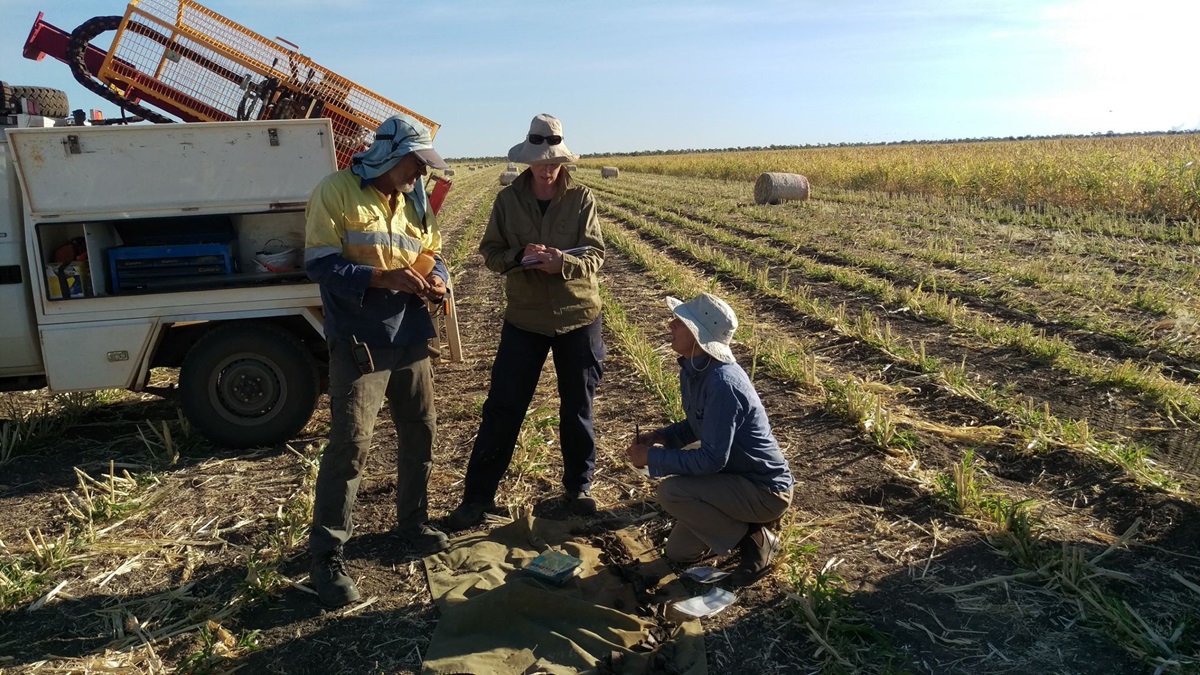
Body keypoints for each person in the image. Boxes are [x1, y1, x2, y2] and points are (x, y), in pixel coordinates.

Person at [304, 113, 453, 608]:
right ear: (391, 155)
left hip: (410, 333)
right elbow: (319, 263)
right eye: (416, 163)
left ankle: (412, 523)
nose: (421, 173)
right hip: (360, 338)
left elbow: (433, 252)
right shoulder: (335, 191)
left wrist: (438, 280)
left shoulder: (414, 199)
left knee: (420, 430)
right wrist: (382, 278)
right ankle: (327, 555)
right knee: (351, 445)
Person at [444, 114, 605, 531]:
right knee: (504, 407)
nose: (547, 169)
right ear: (528, 160)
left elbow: (595, 254)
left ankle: (578, 489)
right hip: (524, 318)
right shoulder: (507, 201)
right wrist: (519, 257)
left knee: (578, 407)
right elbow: (491, 252)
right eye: (540, 162)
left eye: (554, 162)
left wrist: (562, 262)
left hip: (577, 316)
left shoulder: (582, 198)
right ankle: (477, 499)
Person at [626, 294, 795, 587]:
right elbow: (698, 424)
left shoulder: (723, 384)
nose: (670, 325)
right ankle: (738, 521)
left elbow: (712, 460)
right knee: (680, 552)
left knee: (672, 492)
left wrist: (652, 458)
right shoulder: (696, 370)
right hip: (733, 475)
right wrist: (661, 436)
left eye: (680, 322)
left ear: (698, 335)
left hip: (764, 490)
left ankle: (756, 540)